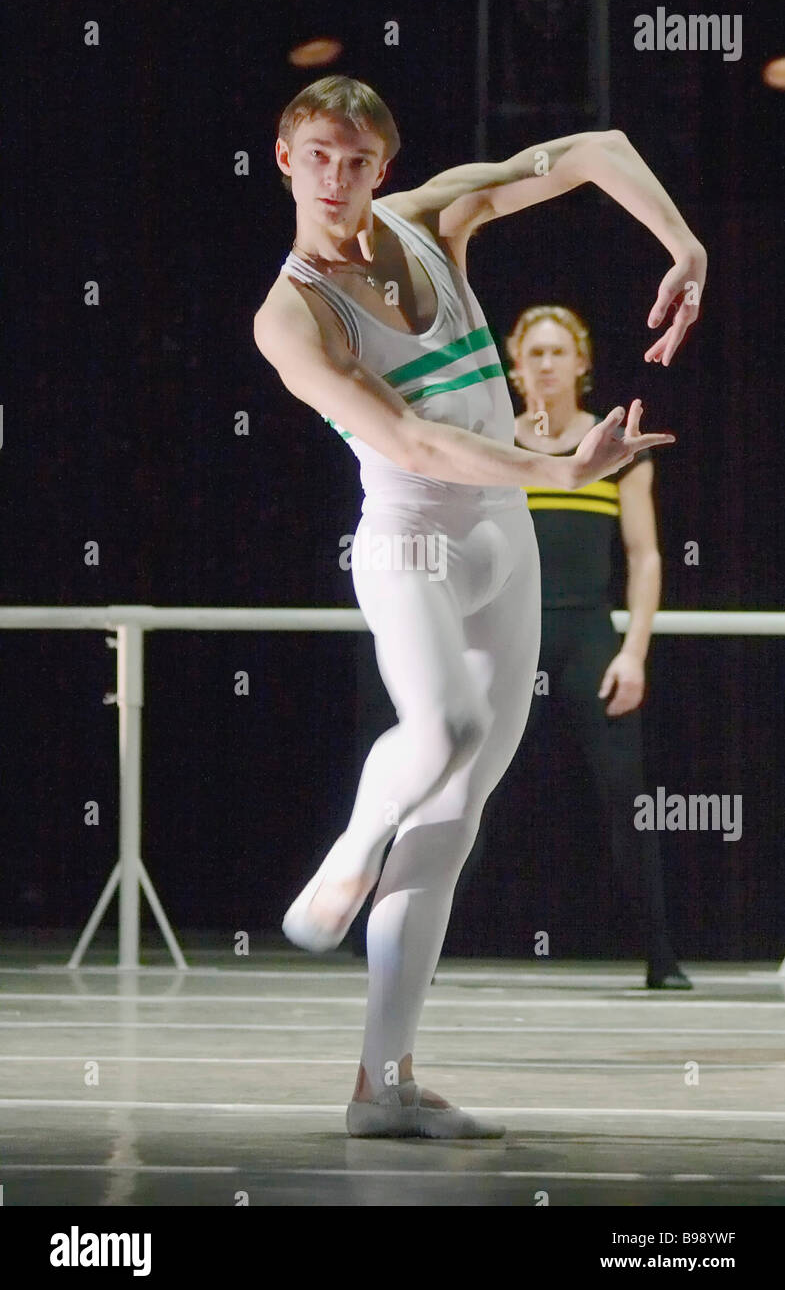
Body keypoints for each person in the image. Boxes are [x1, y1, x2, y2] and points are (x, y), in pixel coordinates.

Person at [253, 75, 705, 1139]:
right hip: (408, 540)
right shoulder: (290, 315)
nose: (335, 176)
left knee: (454, 817)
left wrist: (682, 247)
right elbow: (407, 443)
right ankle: (353, 846)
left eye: (356, 159)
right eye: (316, 154)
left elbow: (595, 143)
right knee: (442, 725)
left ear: (383, 167)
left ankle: (382, 1084)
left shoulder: (428, 219)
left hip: (499, 538)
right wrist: (552, 461)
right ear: (284, 157)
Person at [506, 305, 691, 989]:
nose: (546, 363)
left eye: (559, 352)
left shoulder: (614, 446)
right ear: (514, 364)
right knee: (468, 797)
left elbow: (644, 557)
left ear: (581, 363)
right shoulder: (494, 444)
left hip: (587, 635)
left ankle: (660, 956)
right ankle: (416, 954)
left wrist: (633, 651)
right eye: (535, 353)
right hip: (510, 637)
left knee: (625, 797)